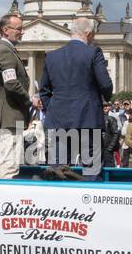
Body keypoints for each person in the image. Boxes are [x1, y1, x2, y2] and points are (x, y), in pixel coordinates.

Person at [39, 15, 113, 179]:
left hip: (59, 121)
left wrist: (53, 108)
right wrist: (106, 97)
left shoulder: (51, 56)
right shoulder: (93, 52)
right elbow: (106, 85)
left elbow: (43, 90)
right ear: (88, 33)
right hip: (88, 118)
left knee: (58, 171)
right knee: (91, 171)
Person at [0, 13, 32, 179]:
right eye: (19, 29)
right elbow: (11, 83)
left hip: (11, 116)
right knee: (8, 164)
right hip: (10, 116)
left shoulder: (3, 49)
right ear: (6, 30)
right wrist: (29, 101)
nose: (22, 32)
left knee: (1, 161)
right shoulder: (4, 51)